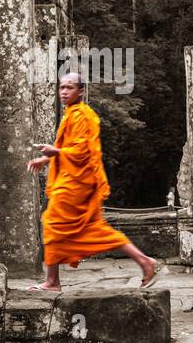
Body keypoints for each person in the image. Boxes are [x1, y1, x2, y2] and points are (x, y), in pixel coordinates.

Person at [27, 72, 159, 291]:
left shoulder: (84, 116)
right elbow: (69, 147)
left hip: (77, 184)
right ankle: (145, 262)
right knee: (81, 227)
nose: (64, 92)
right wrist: (45, 158)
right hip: (71, 180)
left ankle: (52, 282)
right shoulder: (71, 114)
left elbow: (81, 151)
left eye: (69, 87)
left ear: (81, 91)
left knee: (54, 223)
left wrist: (54, 151)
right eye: (61, 87)